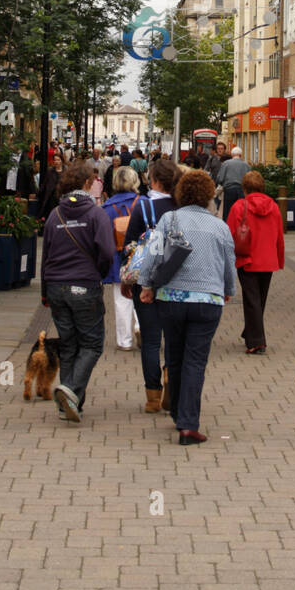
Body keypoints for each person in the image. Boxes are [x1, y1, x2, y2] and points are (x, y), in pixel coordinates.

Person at [138, 169, 236, 446]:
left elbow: (153, 253)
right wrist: (228, 291)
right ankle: (188, 424)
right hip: (207, 301)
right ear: (207, 195)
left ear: (181, 193)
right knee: (196, 361)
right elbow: (229, 264)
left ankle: (179, 412)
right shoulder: (220, 226)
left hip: (172, 299)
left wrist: (146, 285)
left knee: (174, 356)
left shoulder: (169, 219)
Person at [41, 160, 116, 422]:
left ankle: (69, 406)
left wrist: (44, 291)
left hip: (56, 286)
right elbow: (107, 252)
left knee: (69, 344)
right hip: (85, 285)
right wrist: (101, 273)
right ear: (87, 183)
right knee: (92, 344)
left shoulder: (54, 215)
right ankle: (70, 391)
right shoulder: (96, 214)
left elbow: (46, 254)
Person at [123, 157, 178, 411]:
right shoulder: (181, 207)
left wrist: (128, 278)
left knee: (151, 340)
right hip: (176, 280)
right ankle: (170, 375)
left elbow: (130, 247)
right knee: (175, 337)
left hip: (146, 281)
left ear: (153, 180)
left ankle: (152, 397)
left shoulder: (142, 207)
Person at [227, 171, 284, 353]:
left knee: (252, 300)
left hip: (247, 259)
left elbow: (228, 234)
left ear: (244, 188)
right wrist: (280, 259)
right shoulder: (274, 207)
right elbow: (279, 236)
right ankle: (251, 332)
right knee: (260, 299)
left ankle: (257, 342)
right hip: (268, 259)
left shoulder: (239, 206)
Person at [102, 166, 141, 349]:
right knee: (143, 295)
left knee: (121, 299)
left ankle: (124, 341)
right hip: (141, 256)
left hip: (118, 258)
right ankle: (141, 326)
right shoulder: (144, 203)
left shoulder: (107, 207)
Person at [216, 145, 251, 221]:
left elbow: (220, 179)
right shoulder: (246, 165)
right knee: (241, 212)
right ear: (241, 155)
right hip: (242, 190)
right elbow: (250, 179)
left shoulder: (226, 163)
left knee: (228, 212)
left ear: (232, 155)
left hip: (229, 189)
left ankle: (228, 228)